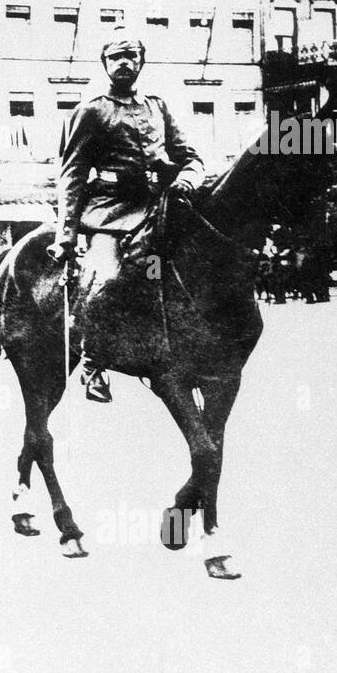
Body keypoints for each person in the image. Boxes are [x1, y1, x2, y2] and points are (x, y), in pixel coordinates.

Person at [46, 28, 205, 402]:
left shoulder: (159, 107)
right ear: (105, 64)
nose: (124, 63)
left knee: (195, 269)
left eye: (131, 55)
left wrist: (186, 180)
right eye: (116, 57)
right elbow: (72, 173)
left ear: (141, 62)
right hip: (111, 212)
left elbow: (192, 158)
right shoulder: (91, 111)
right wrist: (66, 233)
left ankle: (192, 351)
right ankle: (92, 362)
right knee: (107, 279)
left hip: (159, 207)